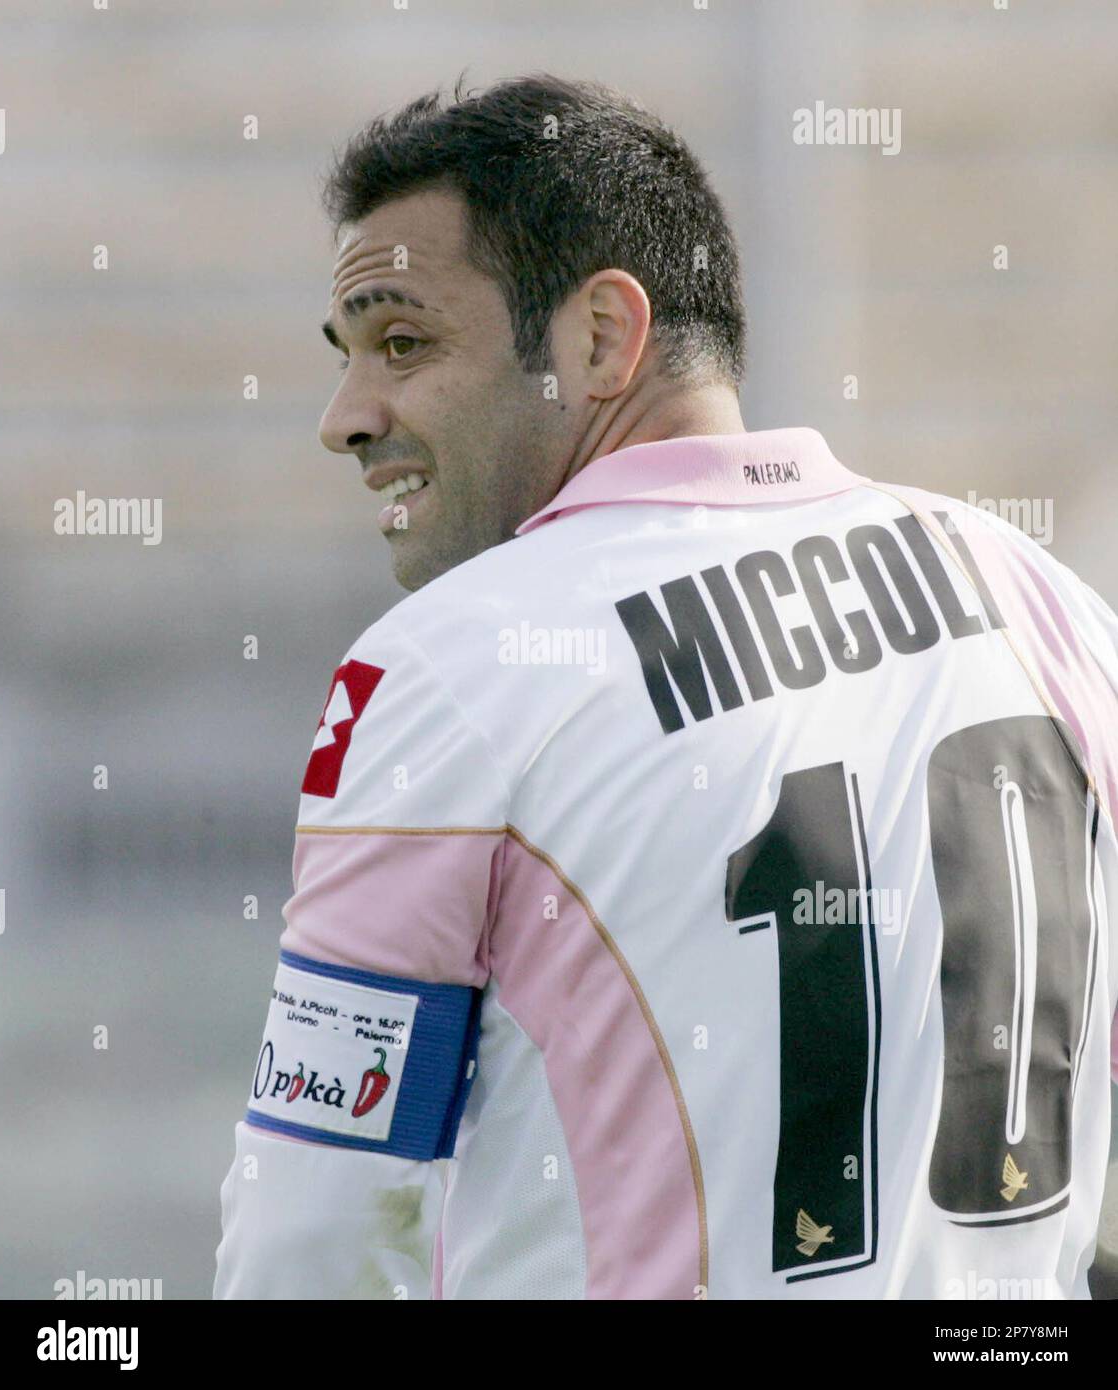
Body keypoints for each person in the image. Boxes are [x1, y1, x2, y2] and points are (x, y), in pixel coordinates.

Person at [214, 74, 1118, 1300]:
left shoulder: (447, 667)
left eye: (404, 341)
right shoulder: (1043, 597)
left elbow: (313, 1246)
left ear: (598, 339)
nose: (345, 417)